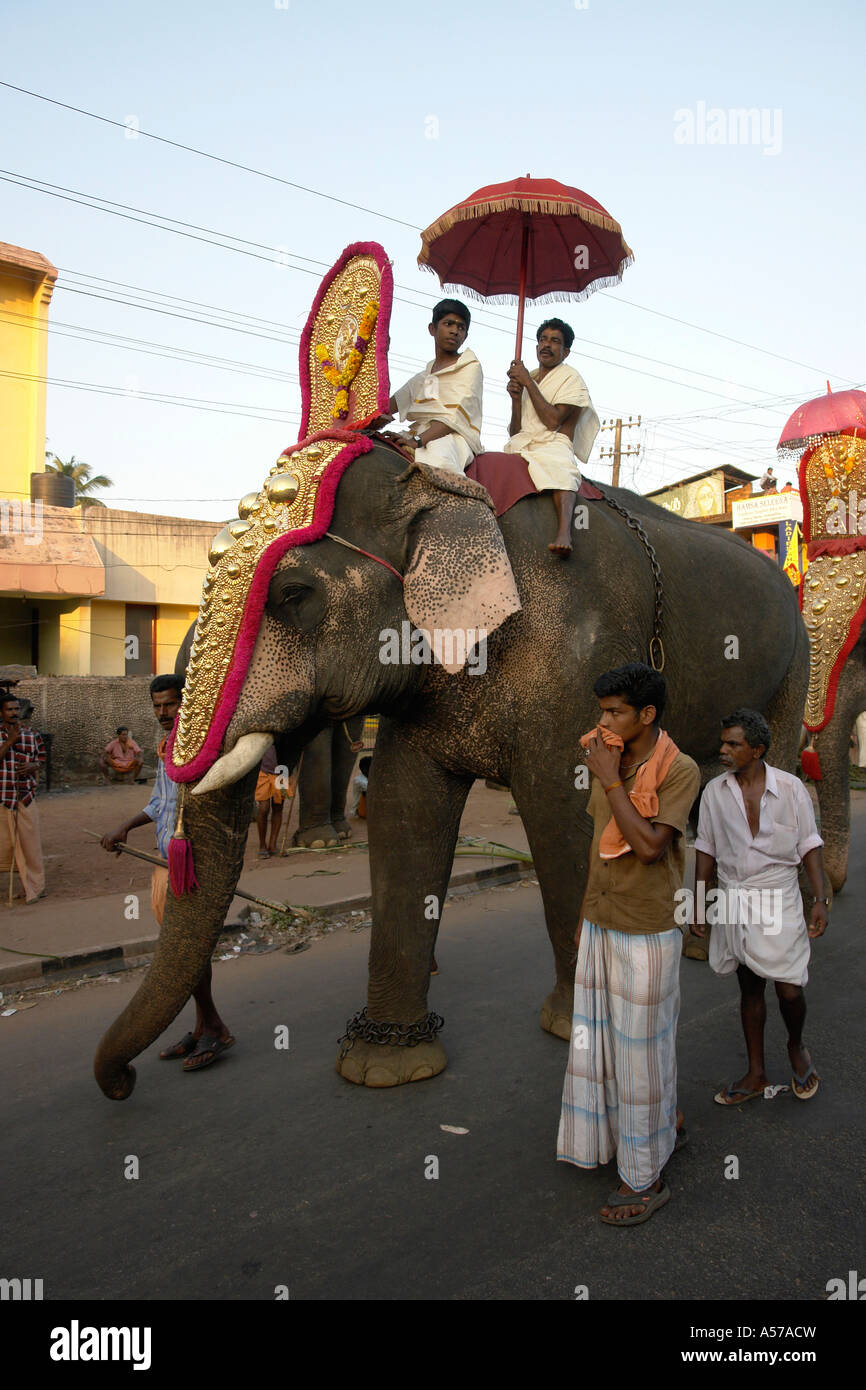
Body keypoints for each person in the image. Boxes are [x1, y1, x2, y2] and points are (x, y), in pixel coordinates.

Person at [557, 662, 700, 1225]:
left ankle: (645, 1178)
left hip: (647, 927)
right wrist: (583, 914)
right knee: (600, 1045)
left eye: (615, 711)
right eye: (602, 710)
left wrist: (611, 777)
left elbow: (646, 848)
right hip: (602, 918)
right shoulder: (610, 761)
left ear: (647, 714)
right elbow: (601, 842)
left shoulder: (680, 769)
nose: (604, 721)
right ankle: (661, 1125)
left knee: (641, 1050)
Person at [691, 709, 828, 1103]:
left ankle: (796, 1045)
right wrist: (698, 903)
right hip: (736, 897)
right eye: (723, 742)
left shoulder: (790, 789)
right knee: (749, 988)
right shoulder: (715, 792)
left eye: (733, 744)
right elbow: (706, 850)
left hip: (780, 897)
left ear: (757, 749)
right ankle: (756, 1073)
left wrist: (818, 899)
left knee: (788, 988)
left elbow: (809, 845)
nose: (723, 750)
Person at [100, 674, 235, 1072]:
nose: (163, 713)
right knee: (186, 952)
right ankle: (202, 1025)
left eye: (170, 705)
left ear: (184, 702)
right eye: (157, 706)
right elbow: (160, 802)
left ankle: (214, 1027)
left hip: (191, 866)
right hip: (166, 865)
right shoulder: (166, 745)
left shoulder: (200, 743)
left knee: (185, 952)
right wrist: (125, 826)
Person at [504, 318, 600, 557]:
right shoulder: (531, 377)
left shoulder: (571, 378)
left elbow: (553, 421)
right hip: (523, 444)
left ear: (565, 351)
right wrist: (516, 399)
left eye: (555, 341)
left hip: (554, 445)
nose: (546, 345)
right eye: (542, 340)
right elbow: (516, 431)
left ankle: (564, 532)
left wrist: (526, 381)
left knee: (561, 471)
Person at [385, 299, 483, 474]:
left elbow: (455, 418)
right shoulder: (424, 376)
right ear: (432, 329)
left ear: (465, 336)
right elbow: (388, 406)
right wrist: (380, 354)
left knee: (438, 461)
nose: (455, 331)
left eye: (461, 328)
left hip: (452, 438)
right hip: (418, 434)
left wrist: (416, 441)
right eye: (448, 324)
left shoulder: (470, 367)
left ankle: (462, 501)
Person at [0, 693, 47, 903]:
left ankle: (35, 888)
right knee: (5, 846)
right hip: (3, 799)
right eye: (9, 709)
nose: (13, 713)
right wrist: (9, 741)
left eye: (16, 709)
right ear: (1, 713)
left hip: (25, 797)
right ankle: (16, 886)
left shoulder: (32, 735)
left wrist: (31, 766)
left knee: (30, 845)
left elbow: (41, 760)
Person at [255, 744, 291, 857]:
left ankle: (272, 845)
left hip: (282, 771)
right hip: (263, 772)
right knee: (264, 808)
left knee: (278, 806)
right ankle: (262, 845)